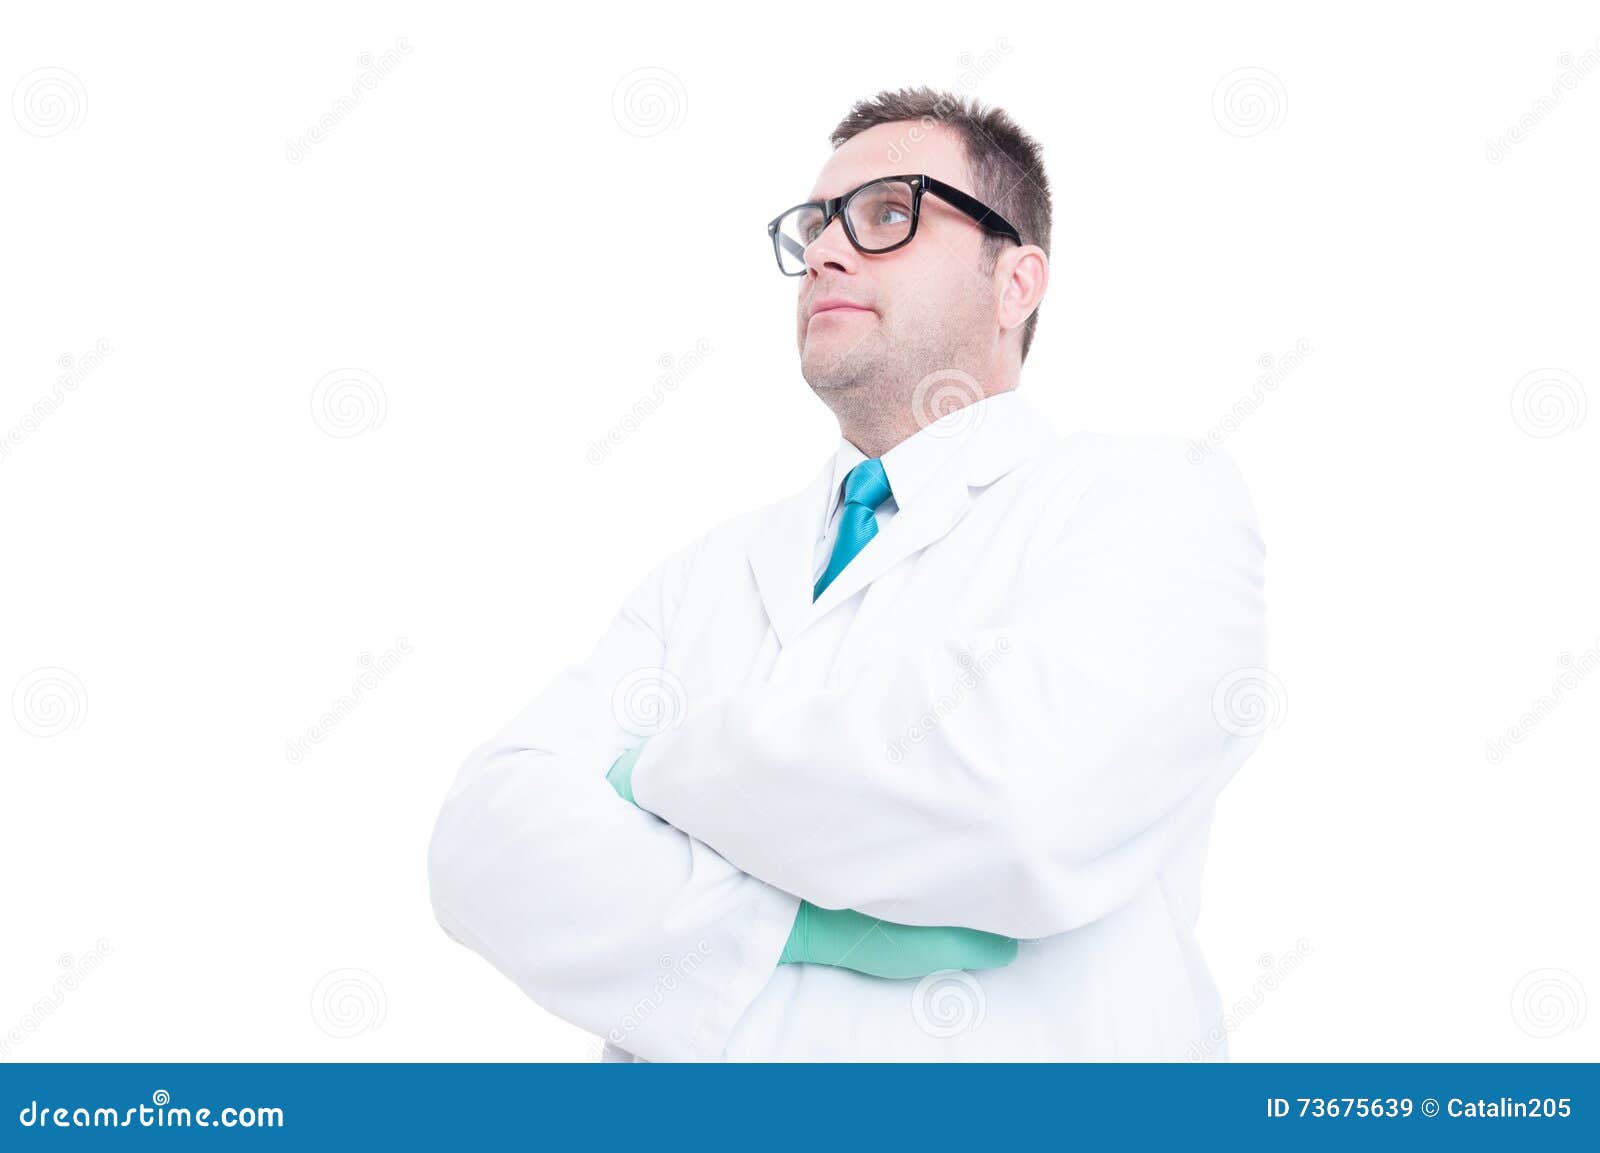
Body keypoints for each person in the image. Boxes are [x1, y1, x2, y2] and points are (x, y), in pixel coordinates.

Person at [427, 86, 1266, 1060]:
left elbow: (1020, 796)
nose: (824, 250)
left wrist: (644, 775)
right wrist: (795, 925)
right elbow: (483, 844)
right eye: (817, 224)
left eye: (885, 215)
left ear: (1016, 283)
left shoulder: (1153, 499)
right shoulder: (701, 575)